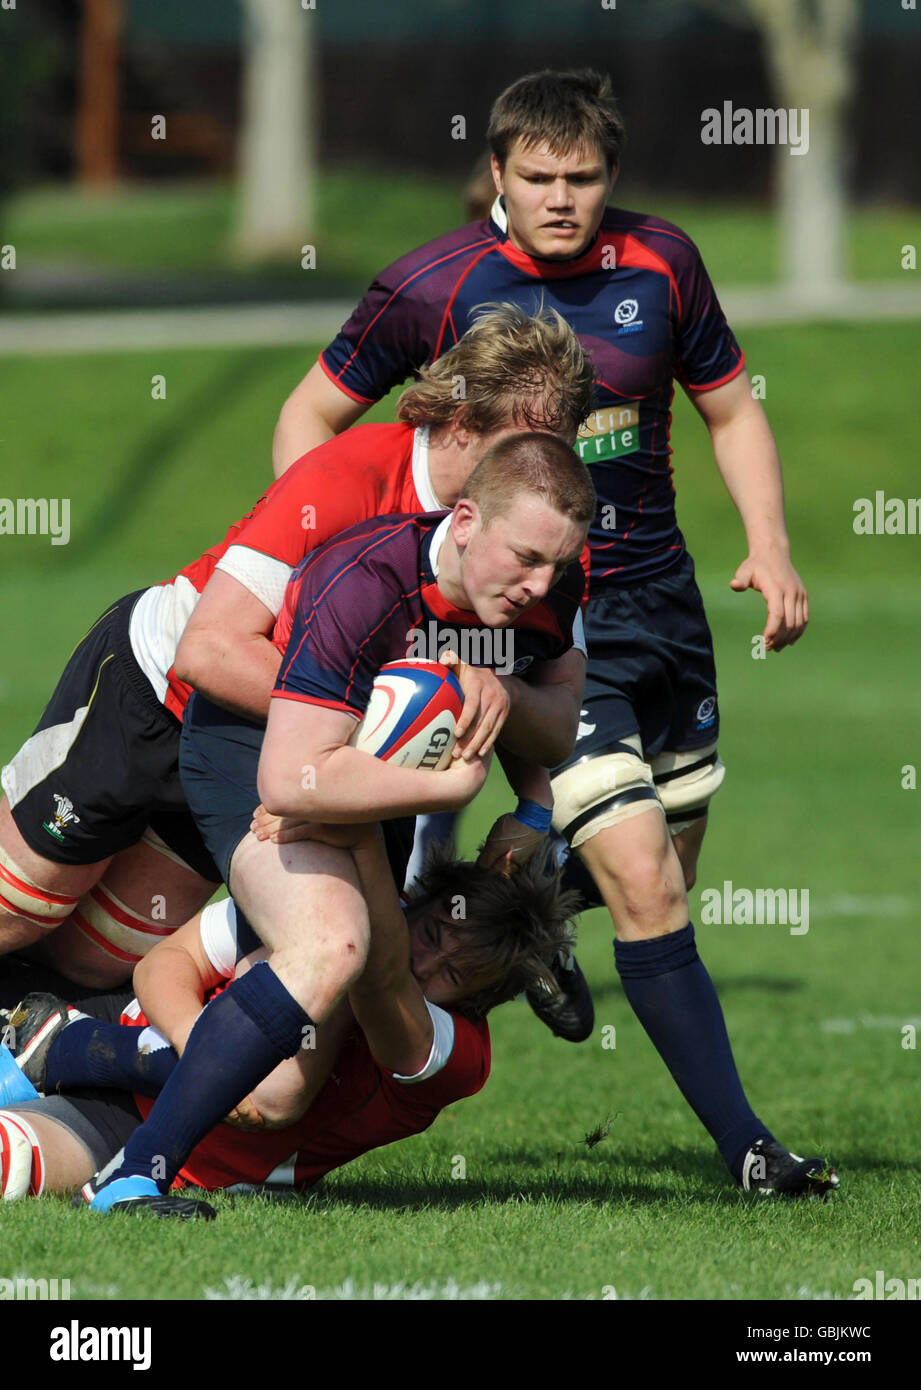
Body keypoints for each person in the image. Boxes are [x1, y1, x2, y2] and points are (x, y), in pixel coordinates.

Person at [269, 69, 833, 1196]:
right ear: (497, 174)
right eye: (537, 177)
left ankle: (511, 903)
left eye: (581, 178)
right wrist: (347, 567)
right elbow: (313, 412)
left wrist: (770, 546)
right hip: (523, 626)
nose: (561, 198)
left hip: (663, 613)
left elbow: (731, 405)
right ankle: (750, 1150)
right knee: (646, 885)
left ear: (611, 176)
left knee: (656, 877)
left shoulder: (664, 263)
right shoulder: (437, 281)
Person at [57, 433, 597, 1214]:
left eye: (558, 564)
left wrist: (520, 765)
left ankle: (73, 1058)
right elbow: (288, 776)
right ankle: (132, 1172)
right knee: (329, 943)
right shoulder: (365, 581)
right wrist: (448, 784)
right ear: (468, 518)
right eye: (524, 557)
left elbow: (555, 728)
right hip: (255, 750)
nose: (540, 583)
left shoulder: (547, 590)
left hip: (363, 777)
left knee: (284, 1075)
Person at [0, 305, 592, 989]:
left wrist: (528, 790)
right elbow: (210, 649)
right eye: (528, 442)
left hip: (256, 750)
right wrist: (376, 718)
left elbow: (548, 712)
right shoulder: (350, 479)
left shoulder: (534, 546)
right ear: (463, 422)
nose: (546, 467)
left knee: (97, 958)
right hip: (156, 695)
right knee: (21, 911)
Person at [0, 838, 578, 1215]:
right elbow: (164, 965)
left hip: (136, 1135)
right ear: (417, 905)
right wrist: (207, 1060)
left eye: (454, 973)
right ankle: (64, 1045)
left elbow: (371, 990)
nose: (424, 965)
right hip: (123, 1022)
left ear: (479, 1002)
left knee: (12, 1164)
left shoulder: (458, 1056)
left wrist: (363, 831)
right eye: (429, 936)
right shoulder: (330, 910)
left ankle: (61, 1046)